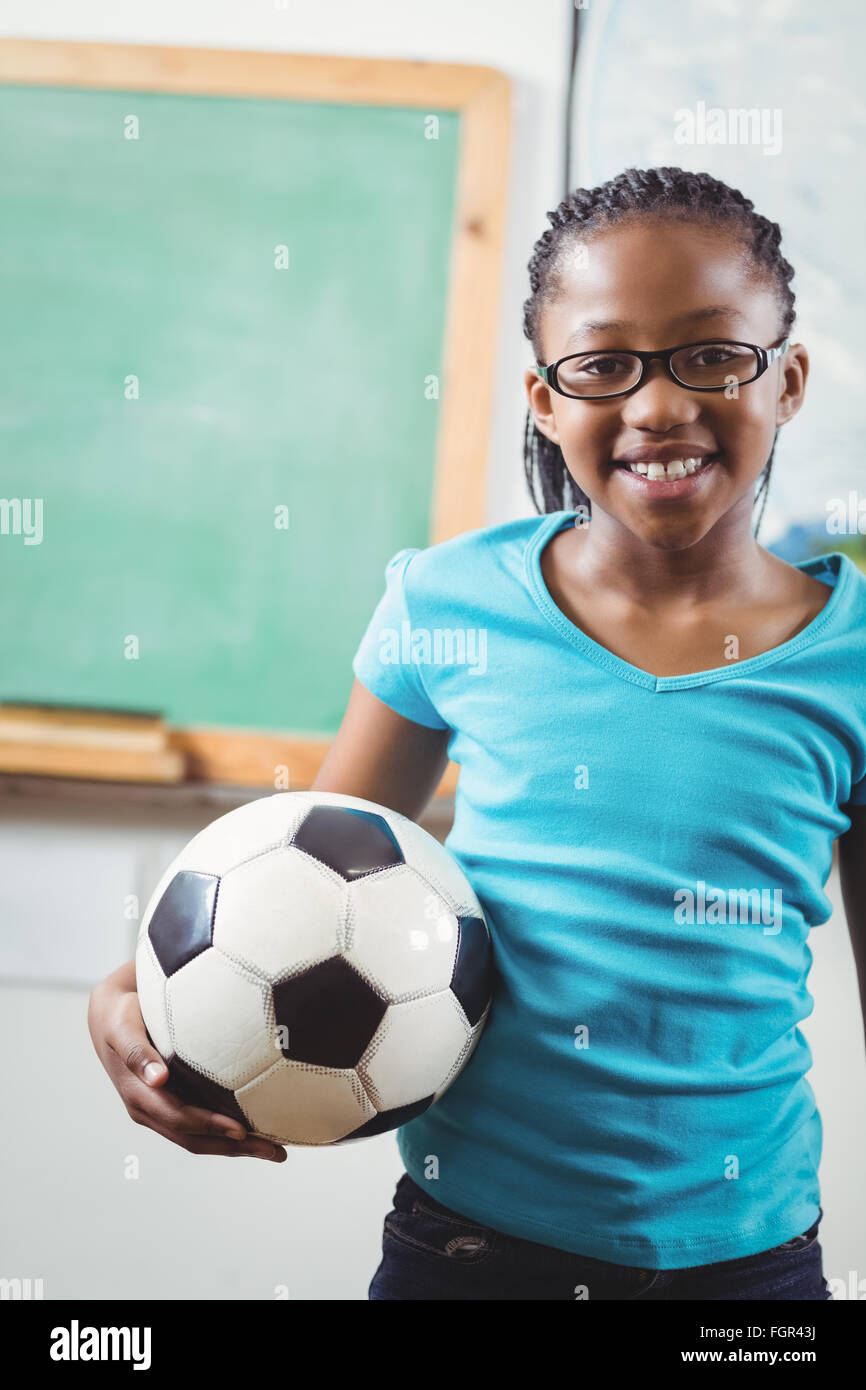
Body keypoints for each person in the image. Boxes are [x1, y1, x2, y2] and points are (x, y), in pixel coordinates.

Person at [89, 167, 866, 1300]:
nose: (656, 407)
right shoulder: (446, 608)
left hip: (746, 1271)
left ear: (786, 379)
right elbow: (296, 872)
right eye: (602, 365)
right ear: (545, 399)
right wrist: (128, 1003)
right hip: (469, 1253)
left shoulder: (848, 657)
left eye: (710, 354)